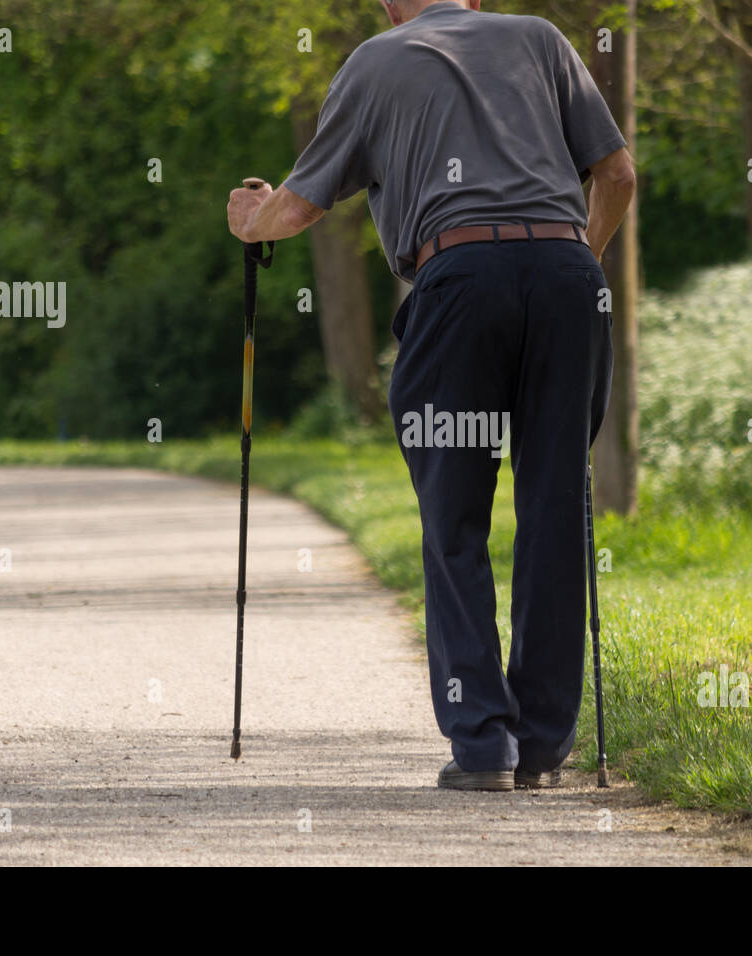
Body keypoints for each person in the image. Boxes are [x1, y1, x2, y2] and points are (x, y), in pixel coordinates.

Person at [227, 0, 636, 791]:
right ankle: (546, 746)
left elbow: (298, 207)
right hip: (566, 279)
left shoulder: (375, 64)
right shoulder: (541, 41)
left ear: (388, 3)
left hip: (458, 286)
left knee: (454, 515)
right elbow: (616, 174)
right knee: (555, 505)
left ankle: (485, 745)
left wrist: (251, 223)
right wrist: (570, 259)